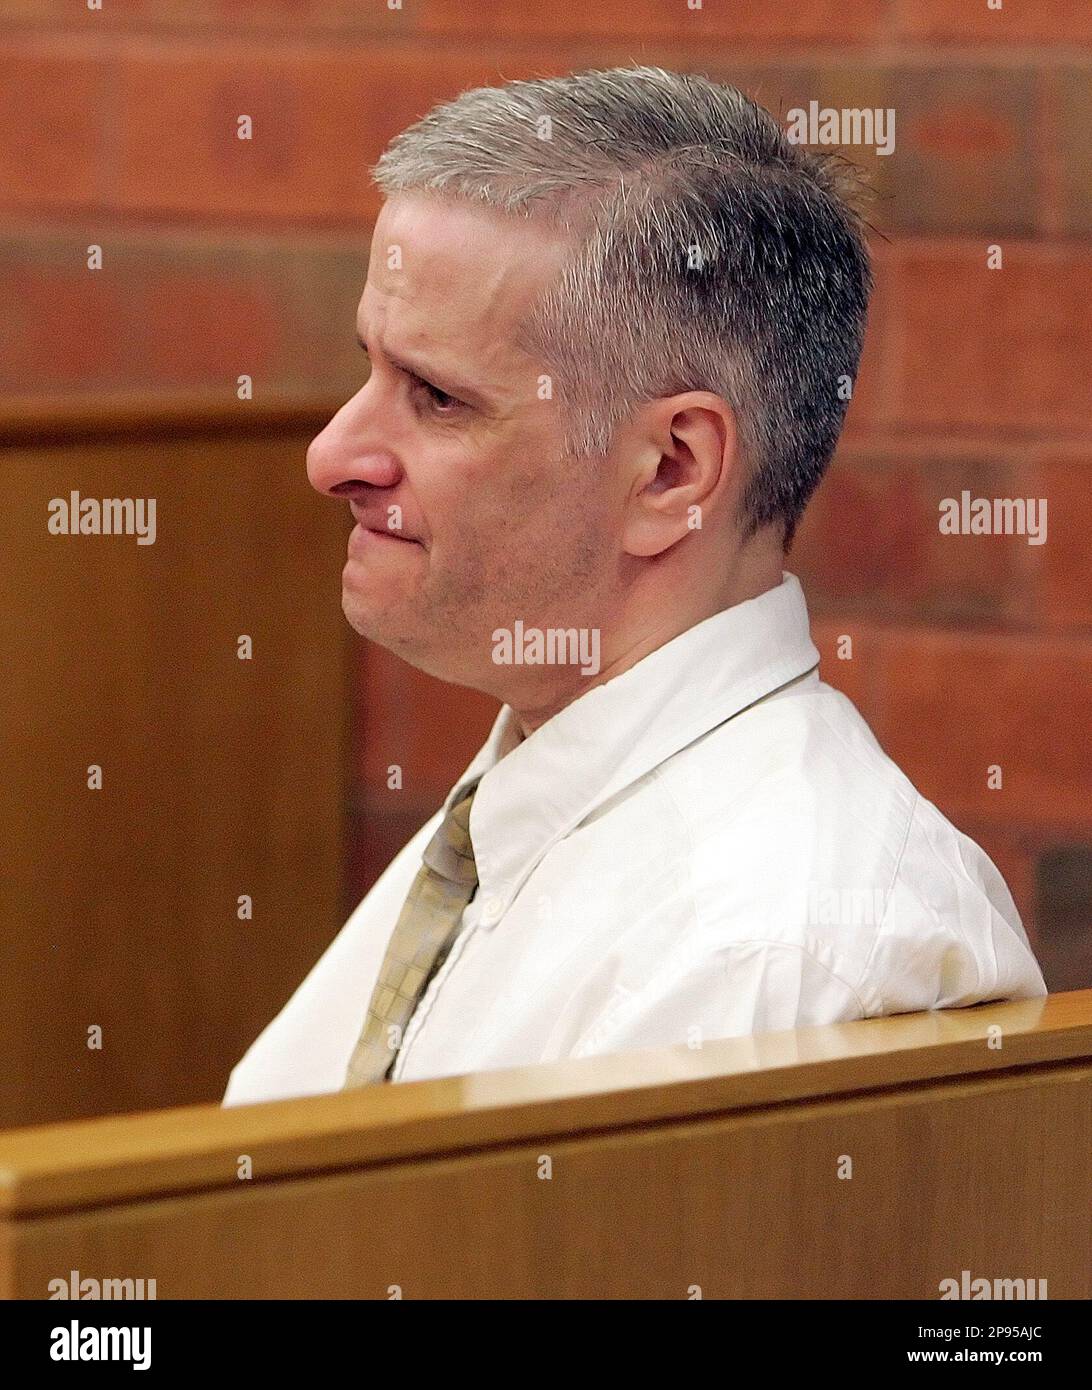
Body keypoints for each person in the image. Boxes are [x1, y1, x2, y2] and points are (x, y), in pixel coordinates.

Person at [223, 65, 1045, 1107]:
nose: (332, 454)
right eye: (369, 370)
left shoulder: (788, 945)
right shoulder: (534, 803)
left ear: (670, 471)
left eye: (435, 396)